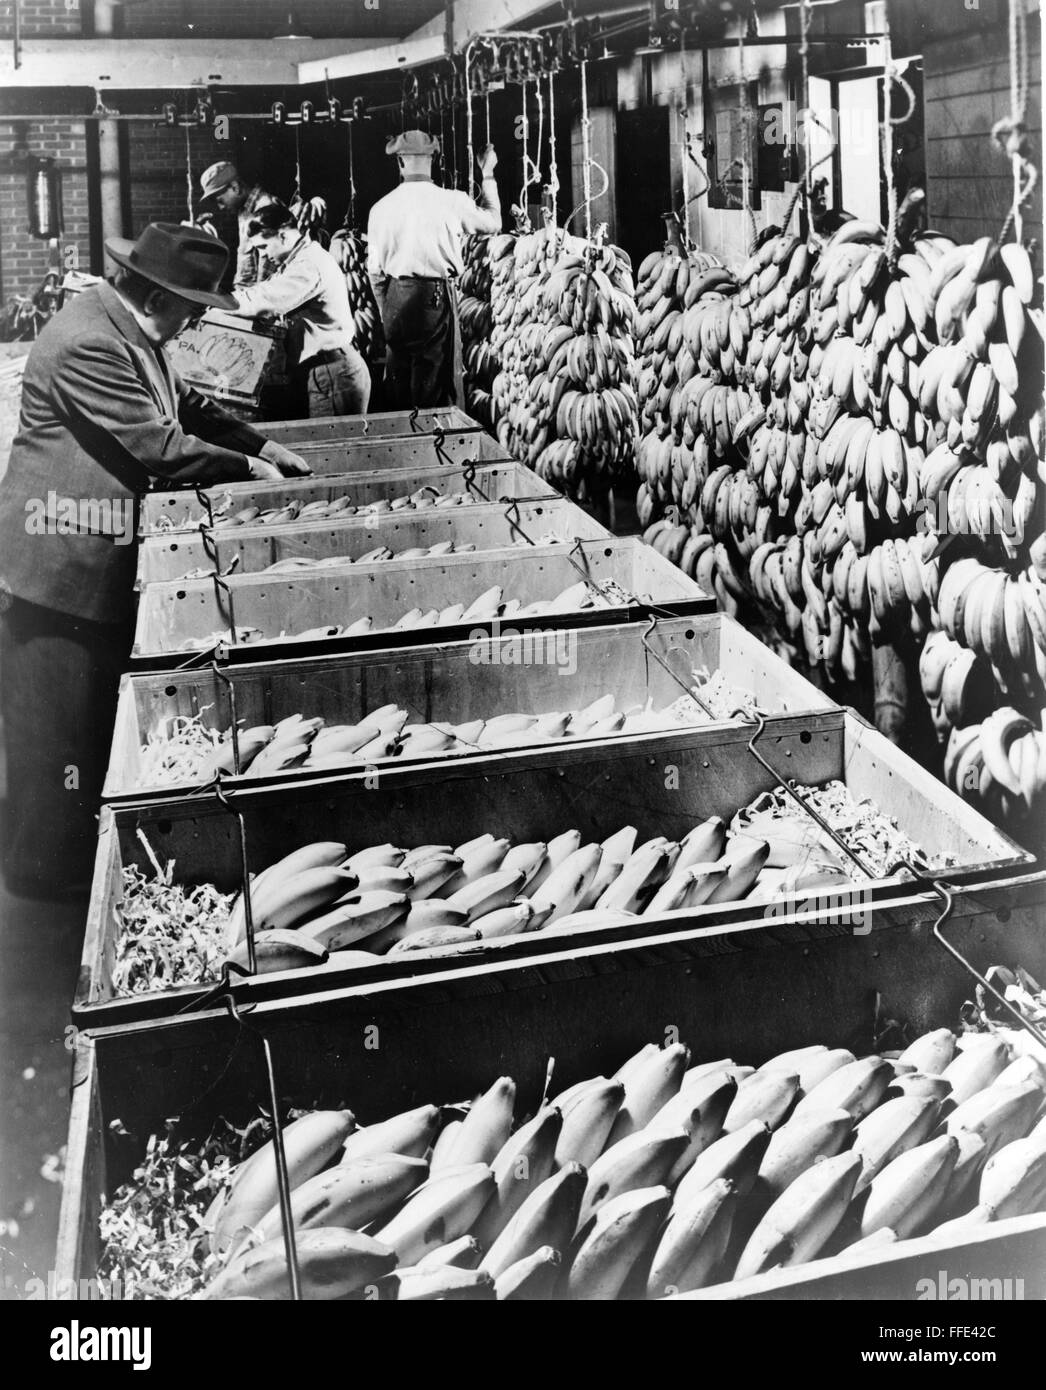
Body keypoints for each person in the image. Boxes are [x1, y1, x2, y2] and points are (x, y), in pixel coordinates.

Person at [0, 222, 310, 900]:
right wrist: (250, 471)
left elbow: (187, 405)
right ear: (163, 296)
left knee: (84, 731)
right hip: (56, 571)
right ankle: (43, 894)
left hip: (92, 559)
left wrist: (261, 442)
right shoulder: (89, 338)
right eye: (196, 306)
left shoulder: (131, 328)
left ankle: (75, 866)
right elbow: (160, 445)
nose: (199, 318)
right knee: (56, 743)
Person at [367, 130, 502, 409]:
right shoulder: (452, 201)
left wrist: (387, 312)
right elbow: (493, 223)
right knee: (434, 387)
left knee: (398, 384)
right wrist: (487, 174)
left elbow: (375, 273)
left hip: (394, 297)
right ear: (433, 161)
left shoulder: (380, 208)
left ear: (400, 163)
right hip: (433, 298)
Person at [226, 202, 371, 418]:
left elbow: (265, 299)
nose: (263, 256)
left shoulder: (309, 265)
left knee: (329, 448)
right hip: (323, 369)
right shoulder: (296, 261)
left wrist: (216, 303)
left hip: (332, 371)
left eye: (264, 247)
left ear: (283, 236)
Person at [197, 160, 277, 288]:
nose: (221, 207)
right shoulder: (244, 210)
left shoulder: (265, 208)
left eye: (220, 201)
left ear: (235, 187)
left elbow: (267, 275)